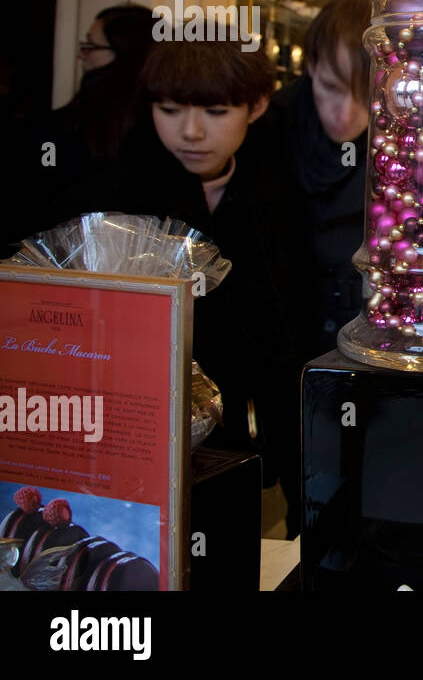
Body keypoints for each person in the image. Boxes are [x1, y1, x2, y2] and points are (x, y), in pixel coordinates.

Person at [59, 31, 318, 538]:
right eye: (170, 109)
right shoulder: (112, 197)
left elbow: (290, 328)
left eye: (216, 112)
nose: (191, 132)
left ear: (257, 105)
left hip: (251, 437)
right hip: (138, 435)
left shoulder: (279, 188)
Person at [9, 4, 157, 250]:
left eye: (91, 46)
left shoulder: (63, 128)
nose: (81, 54)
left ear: (125, 53)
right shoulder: (58, 132)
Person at [276, 0, 371, 356]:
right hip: (282, 346)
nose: (345, 114)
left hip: (361, 345)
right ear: (311, 64)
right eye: (331, 88)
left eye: (366, 95)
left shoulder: (403, 145)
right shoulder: (269, 127)